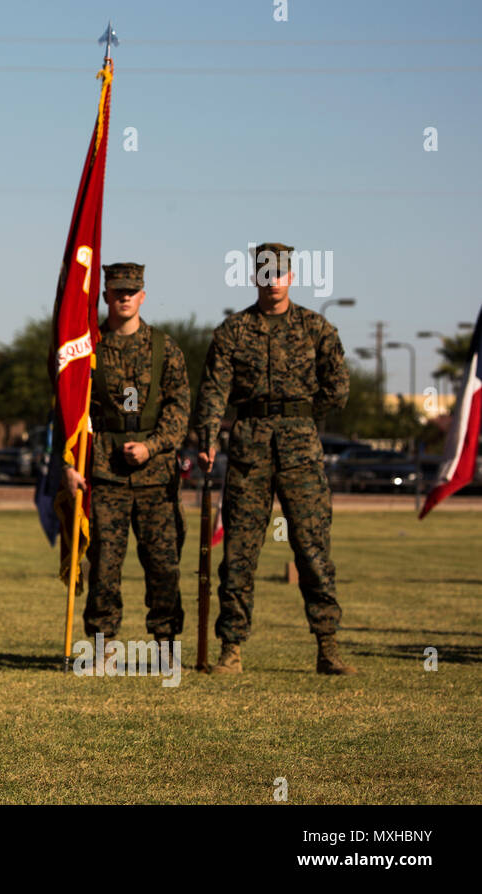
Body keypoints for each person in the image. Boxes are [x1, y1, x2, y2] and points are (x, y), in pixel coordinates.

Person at [193, 242, 355, 675]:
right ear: (255, 277)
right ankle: (231, 648)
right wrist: (208, 437)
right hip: (249, 449)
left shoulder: (316, 328)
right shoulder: (234, 331)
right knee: (240, 553)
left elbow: (338, 387)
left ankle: (328, 647)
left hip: (301, 450)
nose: (272, 281)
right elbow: (213, 392)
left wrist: (300, 413)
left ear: (291, 276)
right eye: (264, 273)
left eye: (279, 273)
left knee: (313, 548)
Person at [64, 263, 189, 652]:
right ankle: (102, 643)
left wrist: (152, 445)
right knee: (105, 566)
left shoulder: (164, 348)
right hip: (105, 473)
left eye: (132, 291)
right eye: (118, 291)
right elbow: (69, 407)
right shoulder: (89, 347)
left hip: (156, 476)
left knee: (163, 564)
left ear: (143, 296)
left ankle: (166, 643)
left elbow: (180, 407)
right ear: (105, 296)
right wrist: (70, 464)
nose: (125, 297)